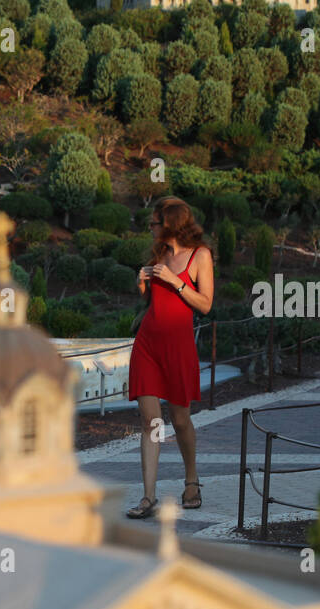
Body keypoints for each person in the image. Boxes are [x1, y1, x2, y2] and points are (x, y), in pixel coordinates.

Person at [125, 197, 214, 519]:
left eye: (154, 223)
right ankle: (148, 496)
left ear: (170, 224)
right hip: (148, 344)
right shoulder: (159, 254)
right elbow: (151, 301)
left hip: (178, 347)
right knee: (150, 421)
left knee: (179, 420)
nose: (151, 228)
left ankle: (192, 480)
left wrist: (176, 282)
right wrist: (142, 282)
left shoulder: (200, 255)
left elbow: (205, 305)